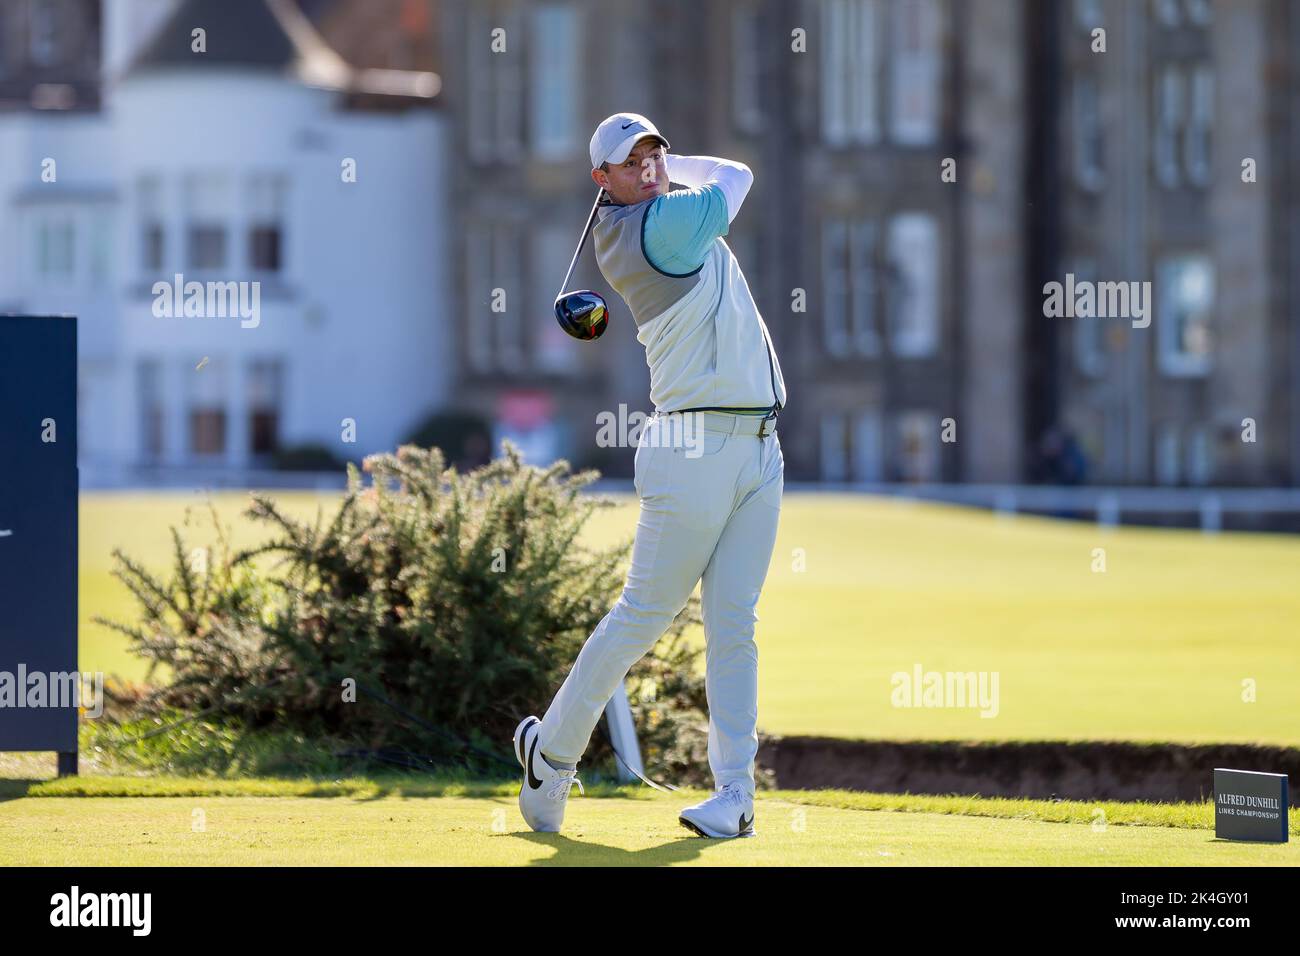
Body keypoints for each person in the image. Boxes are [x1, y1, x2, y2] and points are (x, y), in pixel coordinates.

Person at [513, 112, 788, 839]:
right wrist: (676, 169)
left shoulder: (641, 213)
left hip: (759, 445)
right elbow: (738, 176)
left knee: (734, 626)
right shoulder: (659, 228)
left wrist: (655, 167)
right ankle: (552, 757)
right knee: (641, 617)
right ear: (601, 179)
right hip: (695, 447)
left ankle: (735, 796)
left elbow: (707, 184)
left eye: (656, 155)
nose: (651, 169)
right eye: (631, 162)